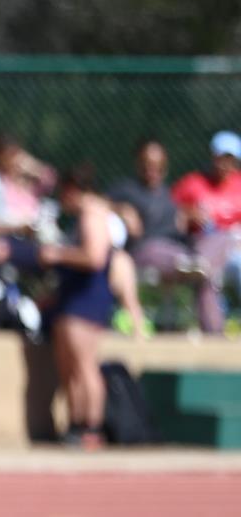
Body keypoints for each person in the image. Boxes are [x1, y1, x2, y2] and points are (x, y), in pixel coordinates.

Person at [111, 138, 222, 334]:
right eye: (147, 164)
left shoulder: (168, 195)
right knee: (186, 262)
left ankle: (215, 337)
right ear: (139, 163)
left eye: (158, 165)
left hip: (178, 249)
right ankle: (190, 264)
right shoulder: (125, 190)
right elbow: (94, 203)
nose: (152, 169)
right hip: (144, 251)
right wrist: (120, 209)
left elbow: (180, 219)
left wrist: (188, 216)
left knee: (205, 274)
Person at [43, 166, 116, 449]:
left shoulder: (92, 215)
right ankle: (75, 423)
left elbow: (94, 257)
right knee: (70, 366)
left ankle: (91, 426)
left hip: (87, 300)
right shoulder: (85, 216)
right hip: (72, 297)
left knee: (85, 365)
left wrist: (57, 253)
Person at [172, 131, 241, 317]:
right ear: (213, 157)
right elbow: (170, 213)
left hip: (236, 251)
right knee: (205, 271)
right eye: (221, 158)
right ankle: (214, 331)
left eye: (230, 159)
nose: (225, 165)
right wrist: (189, 214)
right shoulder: (193, 183)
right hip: (200, 248)